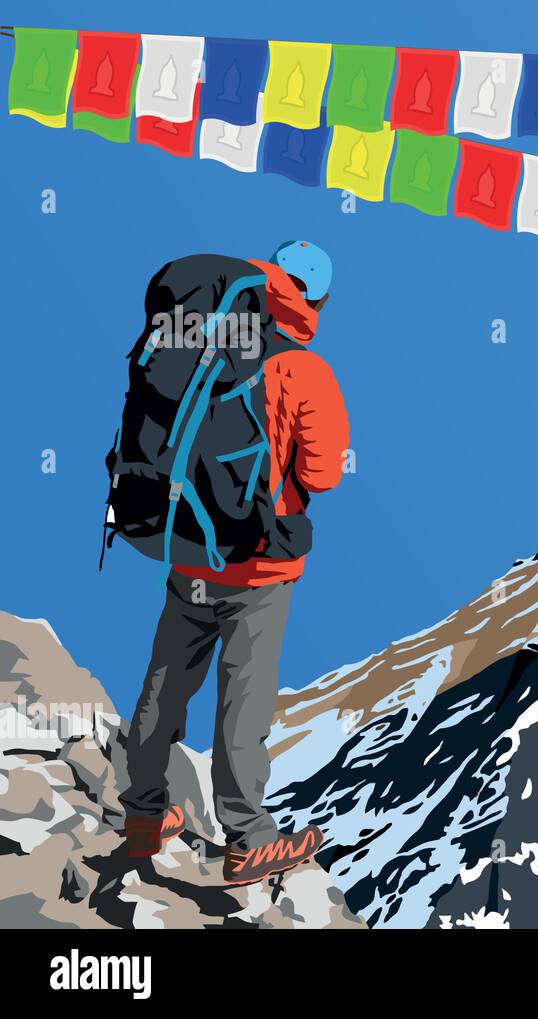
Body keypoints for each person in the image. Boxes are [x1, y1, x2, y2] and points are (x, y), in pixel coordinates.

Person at [121, 241, 349, 886]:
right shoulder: (302, 369)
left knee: (164, 686)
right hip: (258, 566)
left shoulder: (192, 342)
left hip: (186, 550)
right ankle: (247, 839)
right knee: (241, 704)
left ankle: (143, 816)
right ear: (317, 300)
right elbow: (324, 474)